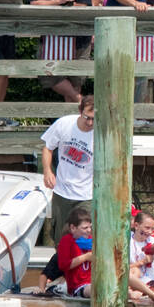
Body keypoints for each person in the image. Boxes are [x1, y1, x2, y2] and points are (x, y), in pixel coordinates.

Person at [28, 0, 93, 103]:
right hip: (52, 38)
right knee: (48, 75)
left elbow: (85, 4)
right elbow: (34, 3)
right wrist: (60, 1)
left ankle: (73, 121)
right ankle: (81, 102)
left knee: (76, 81)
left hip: (78, 38)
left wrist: (66, 6)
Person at [41, 94, 95, 241]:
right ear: (80, 111)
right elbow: (47, 148)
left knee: (86, 237)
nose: (90, 123)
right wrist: (47, 171)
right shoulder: (64, 123)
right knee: (60, 237)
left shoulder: (101, 133)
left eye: (94, 119)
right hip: (62, 191)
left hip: (86, 195)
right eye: (87, 117)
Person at [55, 206, 94, 296]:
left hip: (92, 281)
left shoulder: (91, 240)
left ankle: (132, 294)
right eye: (85, 228)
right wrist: (86, 257)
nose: (89, 230)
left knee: (128, 276)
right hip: (78, 287)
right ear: (73, 228)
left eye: (90, 227)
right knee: (95, 289)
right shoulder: (66, 241)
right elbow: (63, 265)